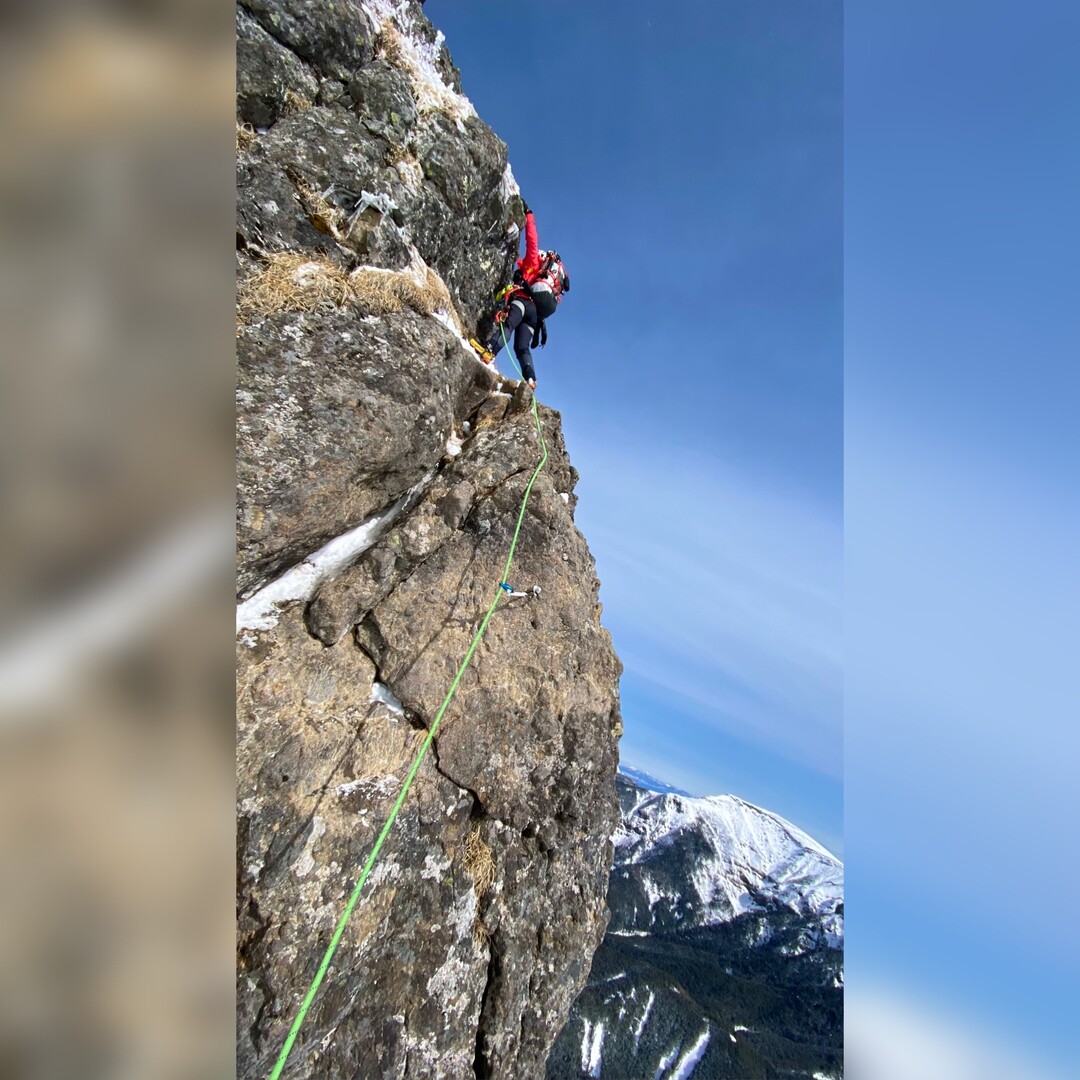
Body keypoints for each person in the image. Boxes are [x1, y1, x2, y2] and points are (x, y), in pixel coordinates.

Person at [470, 201, 570, 389]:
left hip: (522, 300)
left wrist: (528, 214)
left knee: (508, 325)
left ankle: (489, 351)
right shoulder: (541, 279)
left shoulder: (531, 264)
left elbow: (532, 240)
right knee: (522, 347)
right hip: (534, 316)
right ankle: (531, 379)